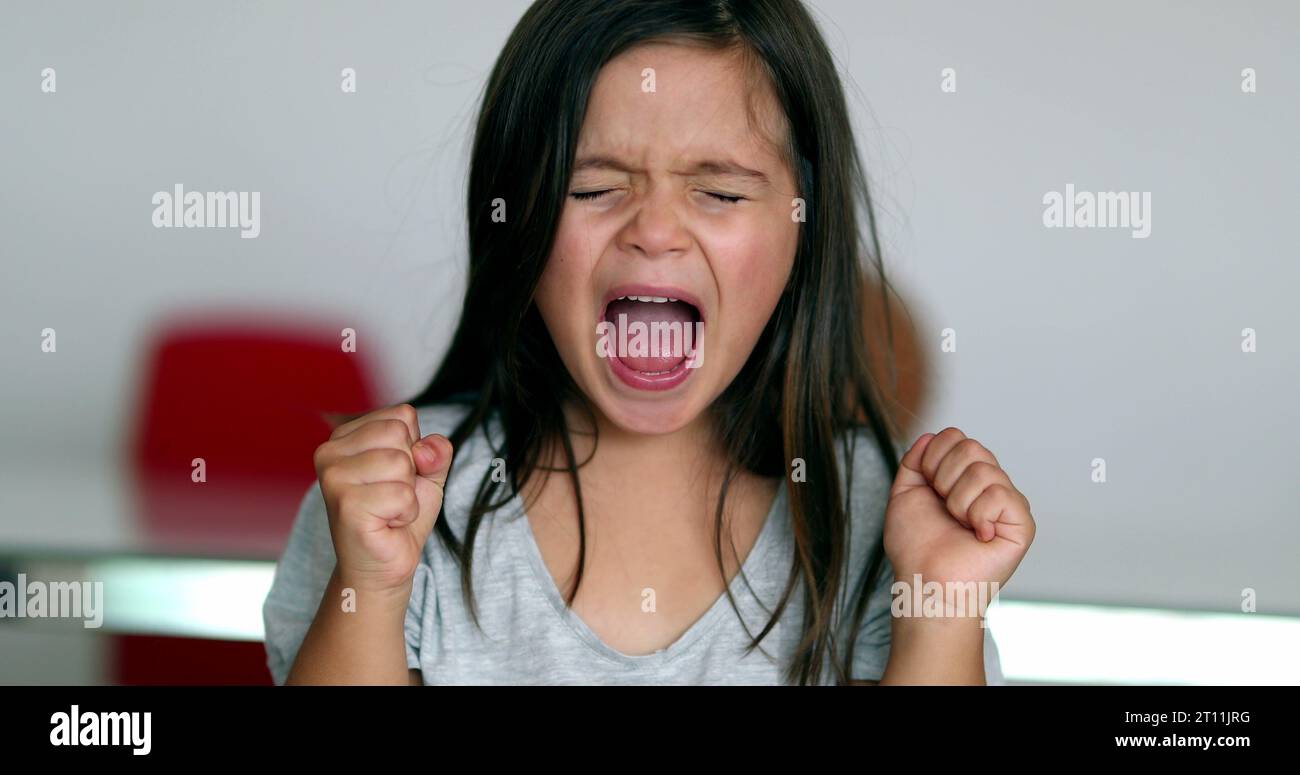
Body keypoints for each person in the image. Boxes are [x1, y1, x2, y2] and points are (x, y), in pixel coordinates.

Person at [263, 0, 1035, 685]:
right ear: (518, 216)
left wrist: (939, 609)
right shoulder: (396, 504)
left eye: (722, 192)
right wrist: (372, 585)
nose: (656, 231)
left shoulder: (870, 510)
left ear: (804, 227)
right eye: (595, 188)